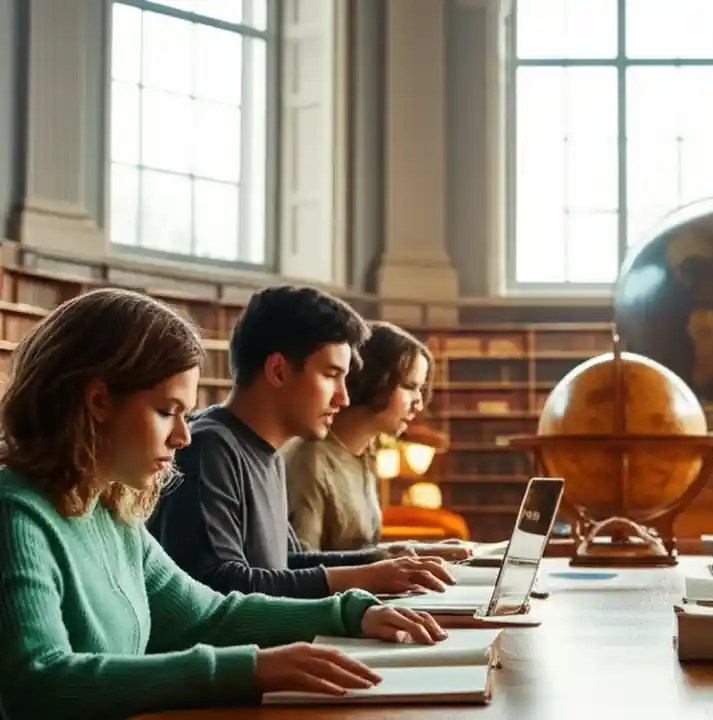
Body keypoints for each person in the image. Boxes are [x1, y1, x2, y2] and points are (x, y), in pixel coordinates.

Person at [0, 289, 449, 720]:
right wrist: (247, 669)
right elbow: (38, 684)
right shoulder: (16, 514)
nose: (183, 436)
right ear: (98, 401)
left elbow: (207, 615)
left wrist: (349, 613)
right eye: (166, 411)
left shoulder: (112, 510)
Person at [149, 286, 453, 598]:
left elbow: (287, 564)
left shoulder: (267, 453)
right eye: (331, 375)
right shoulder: (208, 449)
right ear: (278, 371)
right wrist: (362, 578)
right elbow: (219, 585)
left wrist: (381, 560)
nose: (343, 397)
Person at [285, 321, 433, 552]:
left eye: (420, 390)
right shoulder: (310, 461)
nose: (419, 404)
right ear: (376, 381)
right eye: (409, 386)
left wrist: (429, 551)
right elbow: (299, 563)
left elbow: (363, 548)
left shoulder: (366, 450)